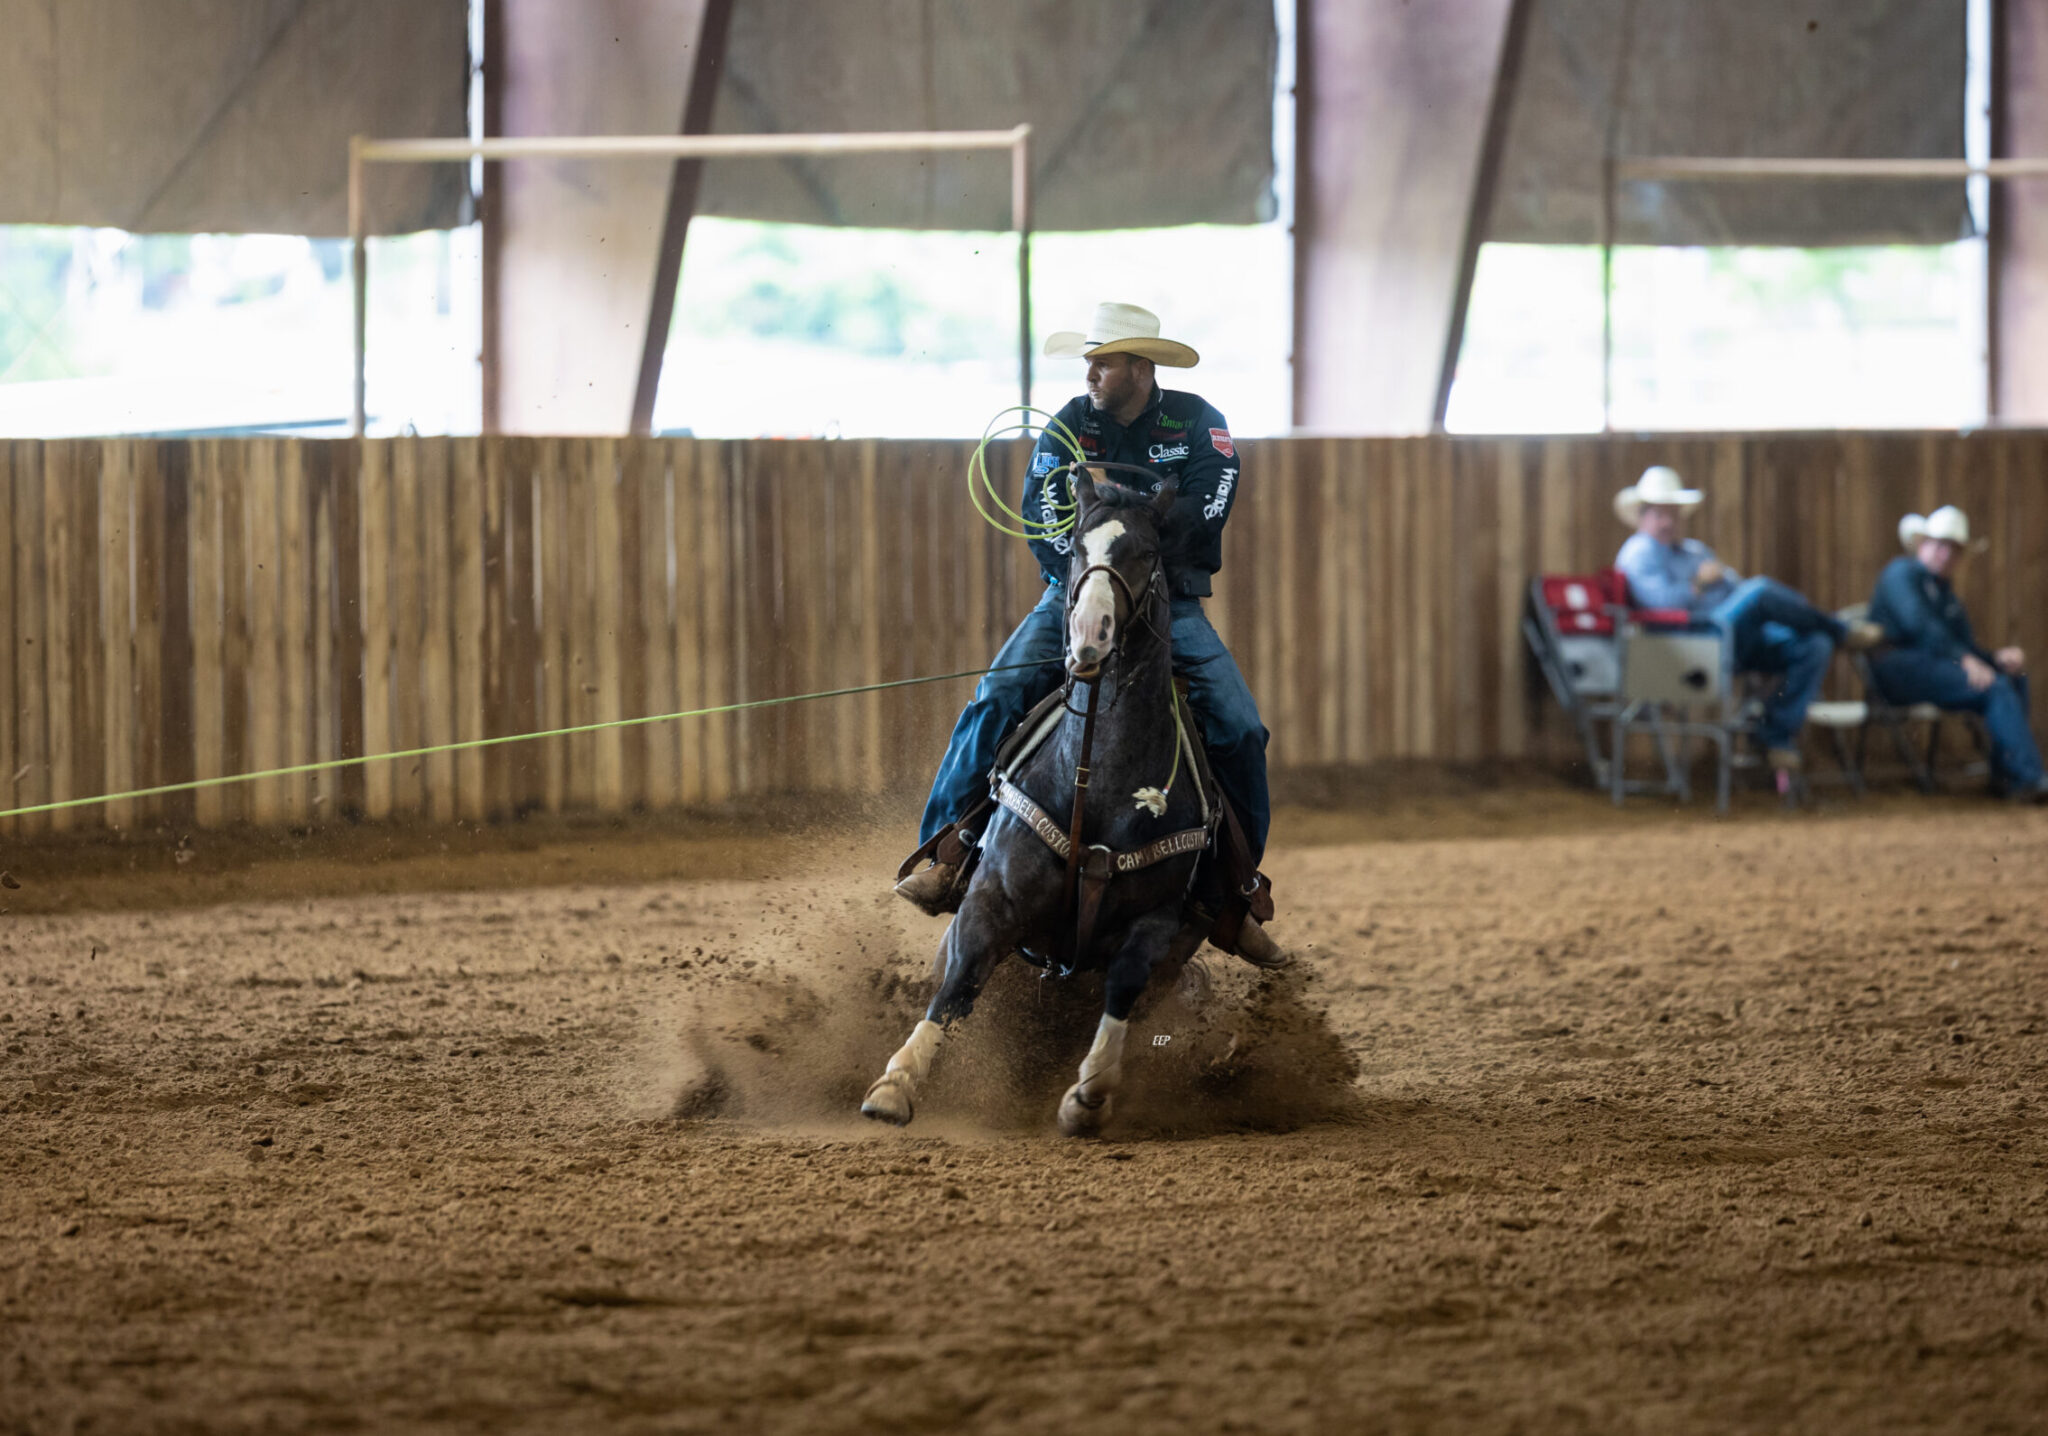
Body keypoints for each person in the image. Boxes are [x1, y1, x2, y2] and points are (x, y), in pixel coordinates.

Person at [895, 301, 1277, 961]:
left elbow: (1205, 511)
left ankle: (1231, 893)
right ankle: (948, 853)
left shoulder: (1198, 424)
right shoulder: (1071, 424)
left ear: (1140, 367)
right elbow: (1046, 513)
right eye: (1091, 361)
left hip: (1167, 605)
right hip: (1074, 597)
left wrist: (1122, 527)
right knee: (994, 696)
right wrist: (1094, 571)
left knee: (1239, 728)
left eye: (1103, 361)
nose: (1091, 372)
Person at [1612, 465, 1883, 783]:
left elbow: (1733, 587)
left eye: (1673, 513)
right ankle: (1841, 630)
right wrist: (1698, 585)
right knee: (1761, 591)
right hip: (1691, 643)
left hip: (1731, 636)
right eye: (1659, 514)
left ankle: (1775, 733)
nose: (1668, 522)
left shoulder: (1693, 551)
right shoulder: (1638, 553)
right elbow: (1661, 605)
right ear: (1642, 515)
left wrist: (1726, 590)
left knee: (1813, 645)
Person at [1867, 506, 2045, 803]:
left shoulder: (1946, 594)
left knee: (2012, 679)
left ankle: (2008, 779)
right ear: (1922, 544)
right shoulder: (1900, 573)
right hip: (1896, 668)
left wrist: (1994, 659)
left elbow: (1963, 645)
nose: (1946, 555)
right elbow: (1918, 625)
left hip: (1935, 667)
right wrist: (1967, 660)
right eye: (1940, 546)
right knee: (1995, 687)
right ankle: (2027, 777)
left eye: (1954, 549)